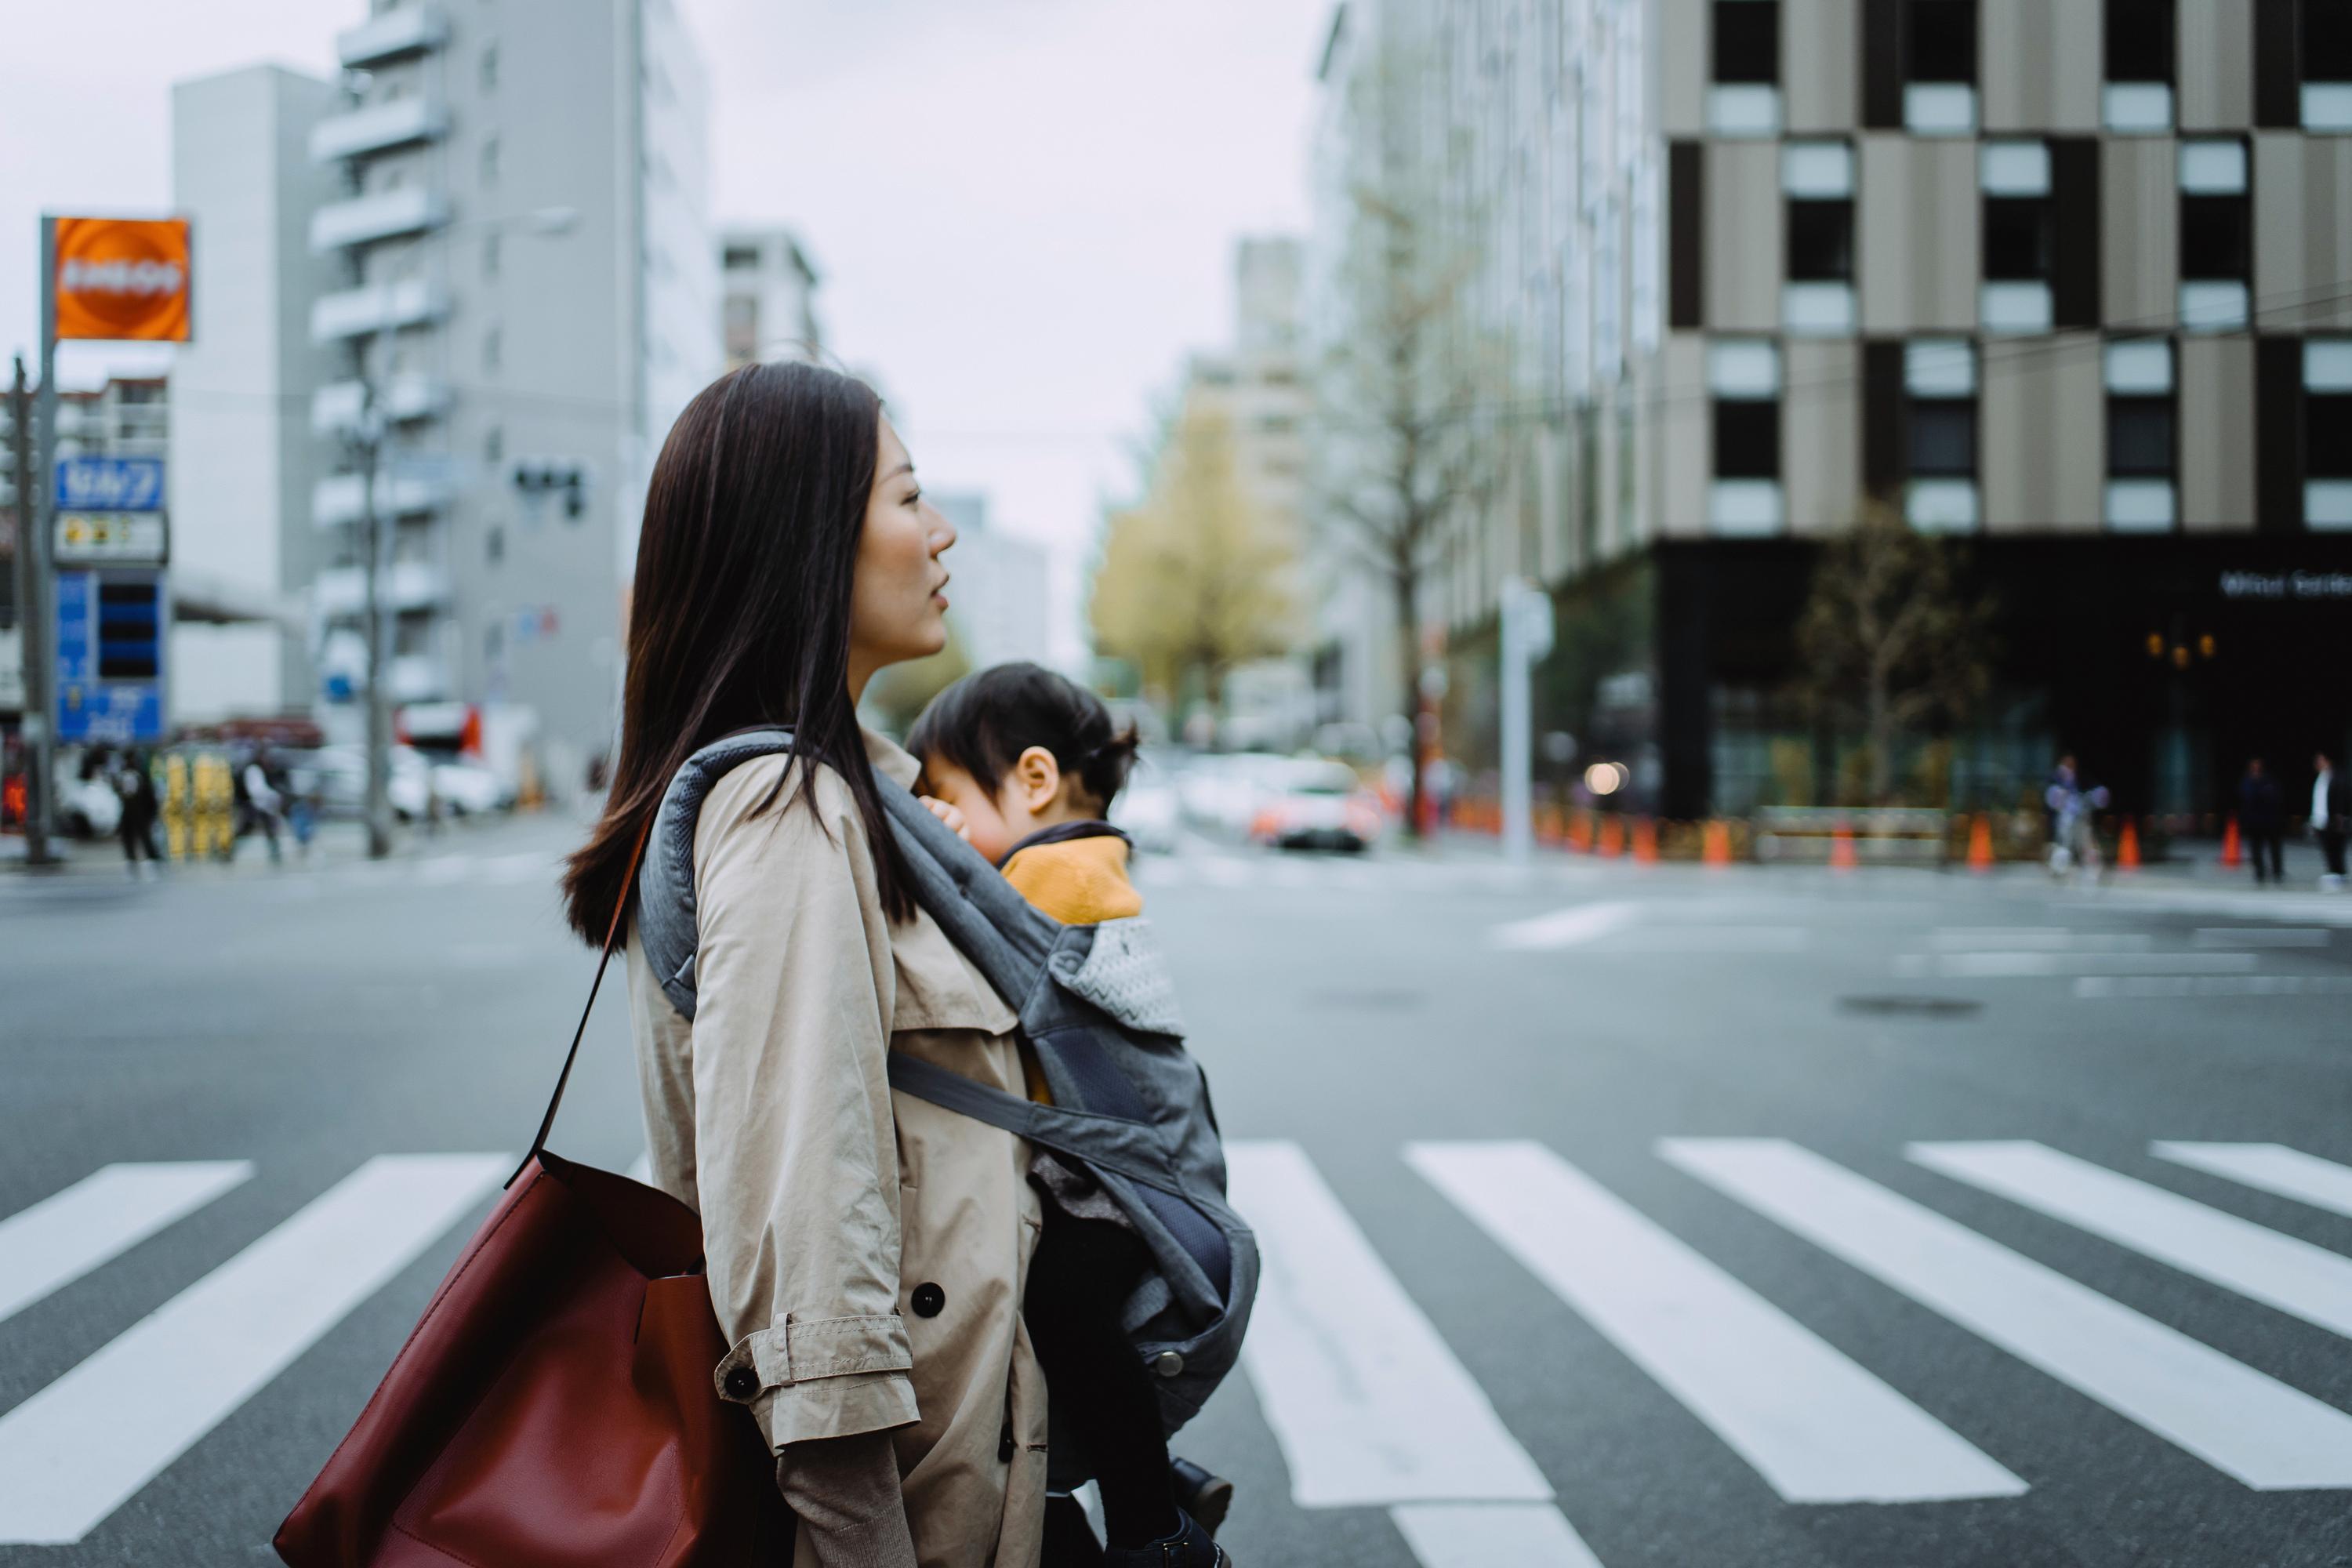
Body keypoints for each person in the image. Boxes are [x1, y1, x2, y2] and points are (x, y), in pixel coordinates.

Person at [563, 362, 1055, 1568]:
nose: (939, 536)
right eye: (907, 499)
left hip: (951, 1470)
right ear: (807, 539)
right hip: (900, 1514)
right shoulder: (787, 811)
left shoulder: (863, 799)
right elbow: (810, 1252)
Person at [906, 663, 1233, 1566]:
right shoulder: (1073, 862)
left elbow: (959, 945)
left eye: (947, 794)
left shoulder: (1058, 874)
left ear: (1036, 780)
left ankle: (1152, 1526)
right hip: (1108, 1161)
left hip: (1112, 1180)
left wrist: (928, 849)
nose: (942, 815)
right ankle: (1157, 1478)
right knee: (1056, 1329)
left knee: (1060, 1305)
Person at [2045, 754, 2108, 880]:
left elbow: (2094, 791)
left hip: (2081, 816)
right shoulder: (2057, 777)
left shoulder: (2081, 777)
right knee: (2064, 843)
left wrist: (2097, 795)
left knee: (2086, 843)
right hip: (2066, 817)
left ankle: (2094, 868)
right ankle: (2059, 868)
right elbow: (2052, 798)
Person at [114, 749, 162, 877]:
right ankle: (131, 858)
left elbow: (149, 794)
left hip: (141, 810)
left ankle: (151, 857)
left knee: (144, 835)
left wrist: (151, 811)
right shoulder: (123, 774)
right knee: (128, 836)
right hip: (128, 810)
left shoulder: (141, 774)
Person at [2239, 757, 2285, 885]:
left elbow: (2276, 799)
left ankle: (2277, 871)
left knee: (2274, 847)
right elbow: (2245, 800)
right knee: (2256, 849)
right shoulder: (2247, 782)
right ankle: (2260, 872)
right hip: (2254, 822)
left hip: (2270, 820)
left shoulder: (2269, 781)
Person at [2315, 752, 2348, 891]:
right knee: (2327, 847)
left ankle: (2339, 872)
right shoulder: (2321, 778)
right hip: (2321, 818)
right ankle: (2333, 871)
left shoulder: (2335, 777)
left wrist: (2339, 816)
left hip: (2332, 818)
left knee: (2335, 846)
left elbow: (2340, 798)